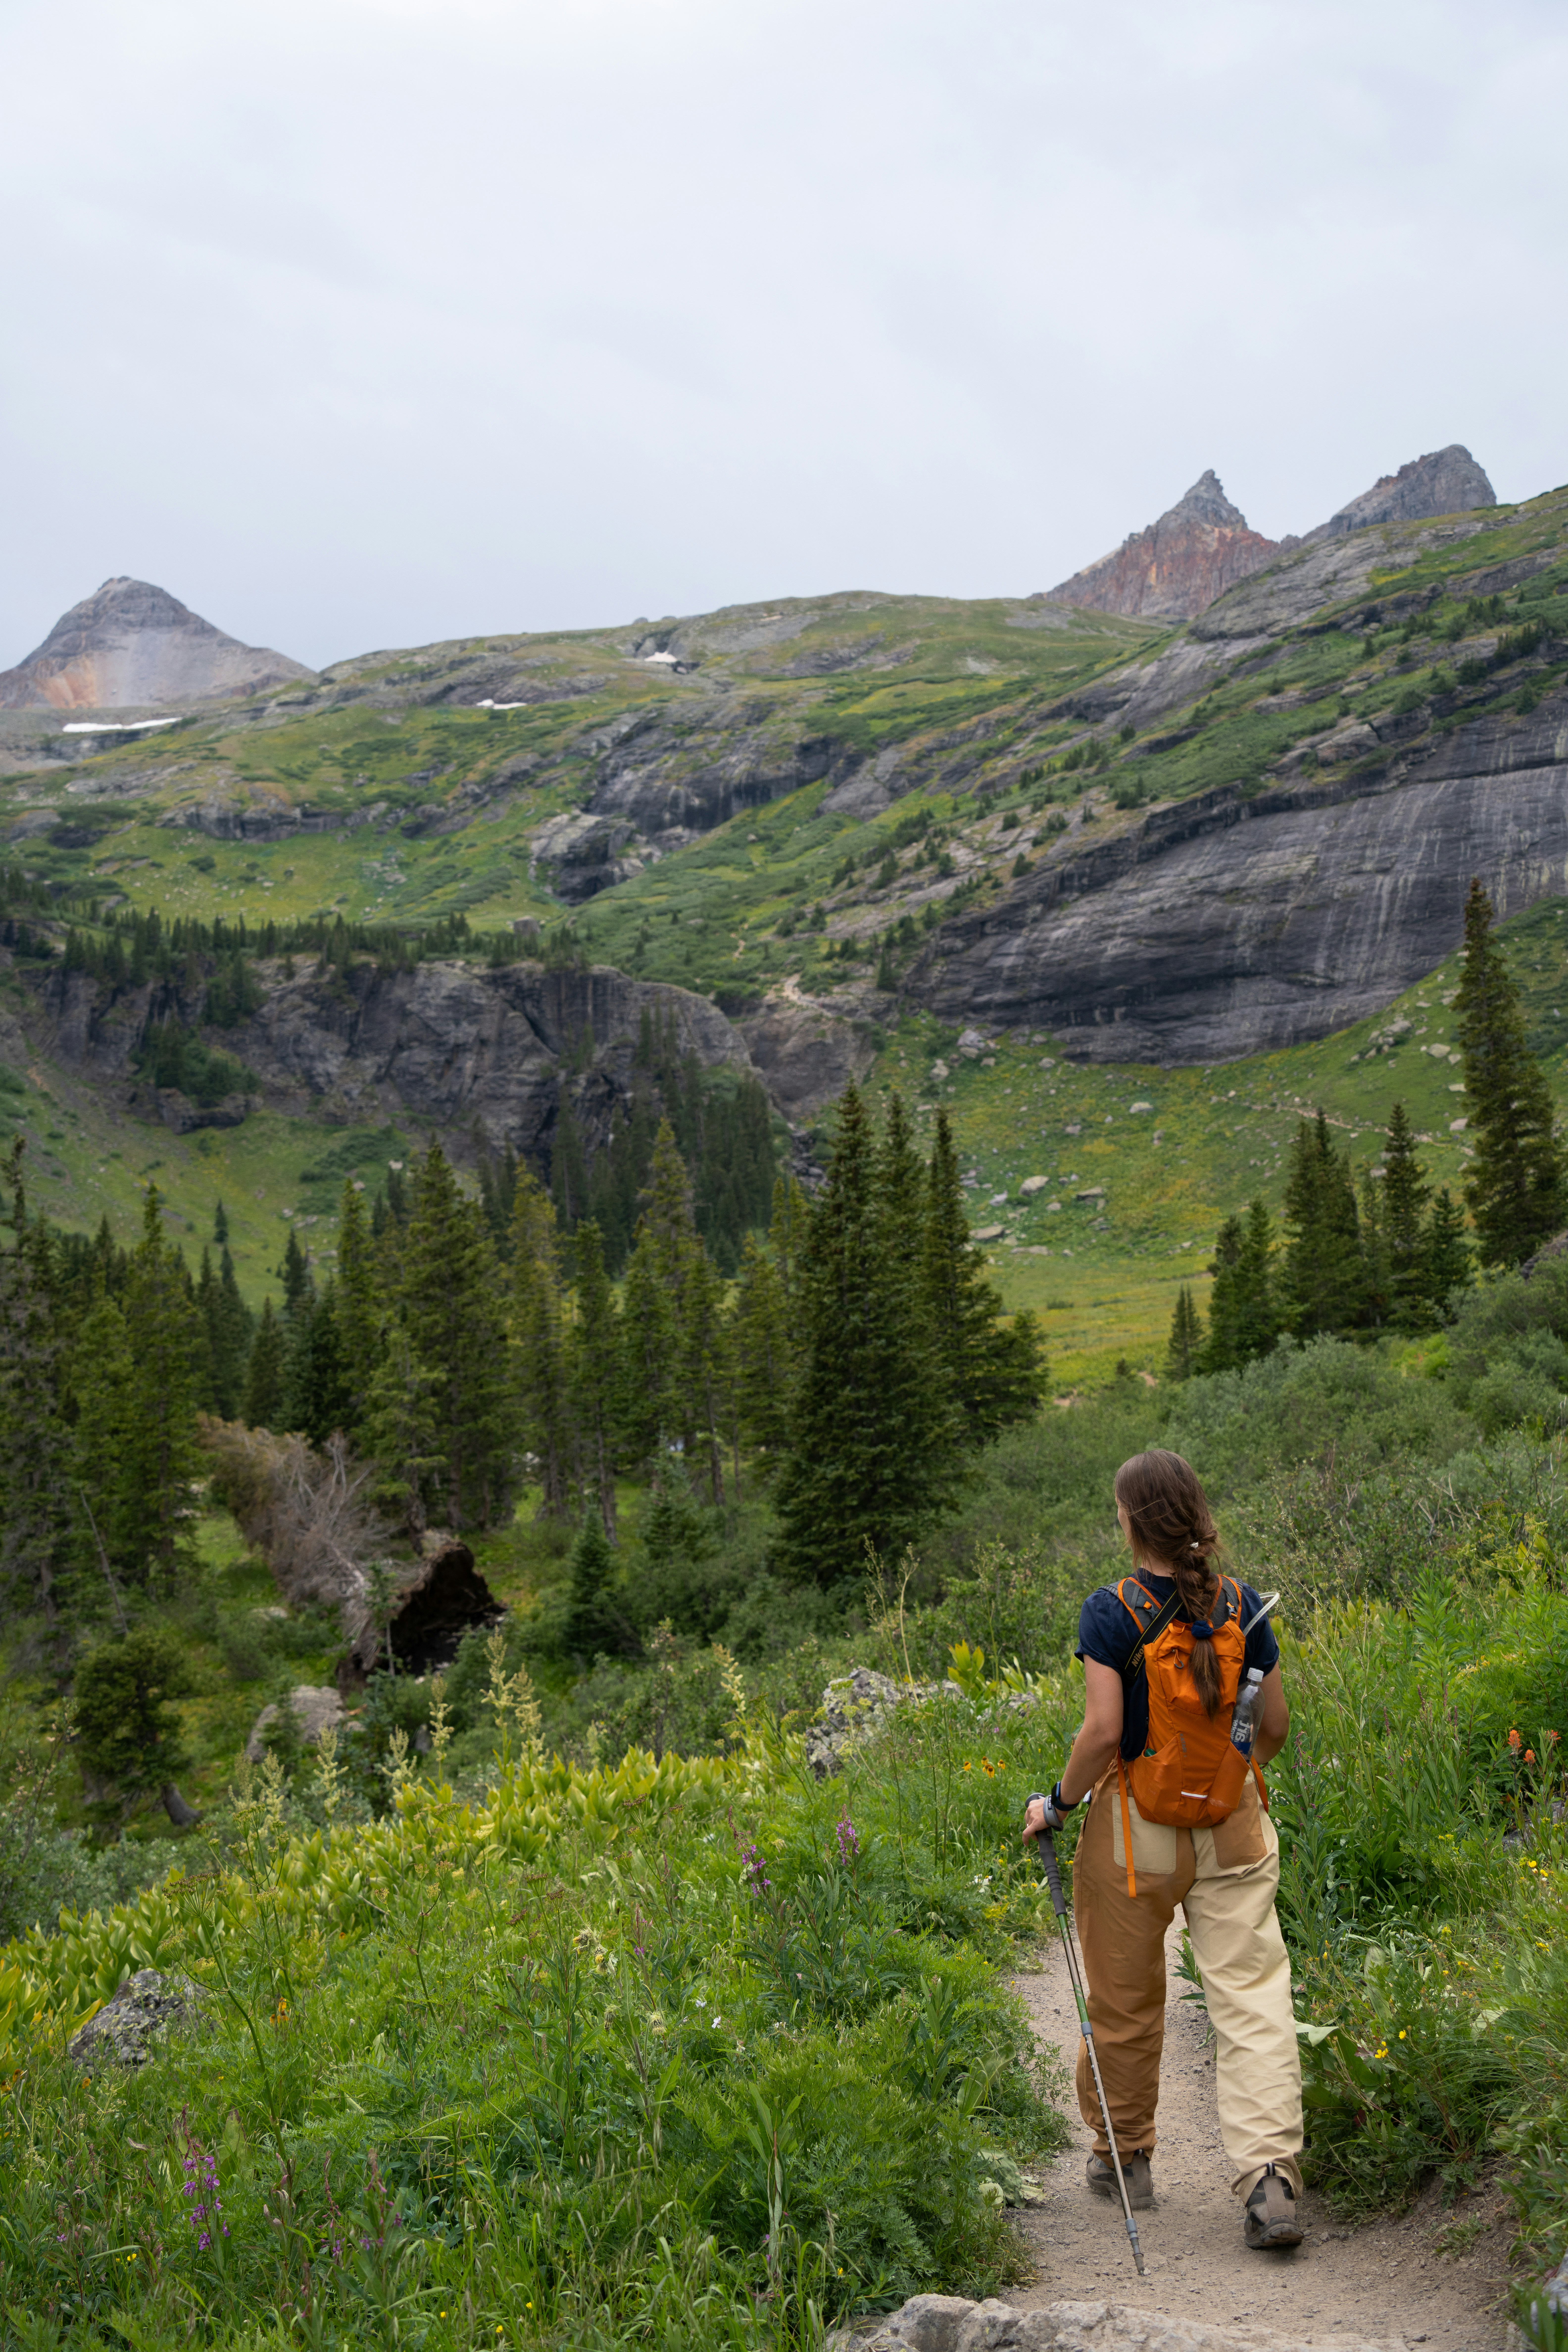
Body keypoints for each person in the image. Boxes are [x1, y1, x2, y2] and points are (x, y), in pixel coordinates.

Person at [1023, 1447, 1303, 2251]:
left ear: (1131, 1521)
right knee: (1250, 2000)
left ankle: (1127, 2156)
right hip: (1234, 1827)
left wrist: (1059, 1803)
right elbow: (1274, 1729)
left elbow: (1105, 1731)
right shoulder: (1245, 1606)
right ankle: (1270, 2182)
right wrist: (1223, 1773)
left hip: (1132, 1834)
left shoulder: (1110, 1611)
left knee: (1123, 1998)